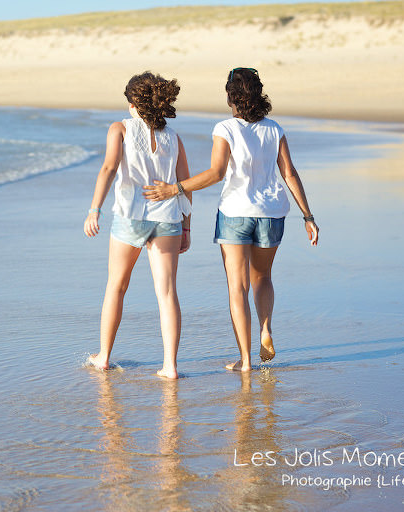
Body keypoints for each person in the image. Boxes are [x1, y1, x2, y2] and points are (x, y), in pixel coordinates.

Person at [143, 67, 319, 372]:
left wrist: (175, 188)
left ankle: (247, 360)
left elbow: (217, 173)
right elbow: (288, 173)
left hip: (235, 213)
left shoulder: (225, 128)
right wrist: (308, 215)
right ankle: (266, 329)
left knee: (237, 288)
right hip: (271, 213)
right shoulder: (274, 128)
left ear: (230, 97)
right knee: (262, 276)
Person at [84, 71, 192, 380]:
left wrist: (94, 210)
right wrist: (187, 227)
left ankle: (104, 357)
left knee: (116, 286)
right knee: (167, 293)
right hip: (168, 218)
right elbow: (185, 186)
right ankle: (170, 366)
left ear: (133, 102)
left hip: (131, 217)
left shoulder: (120, 128)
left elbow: (108, 167)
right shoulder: (175, 137)